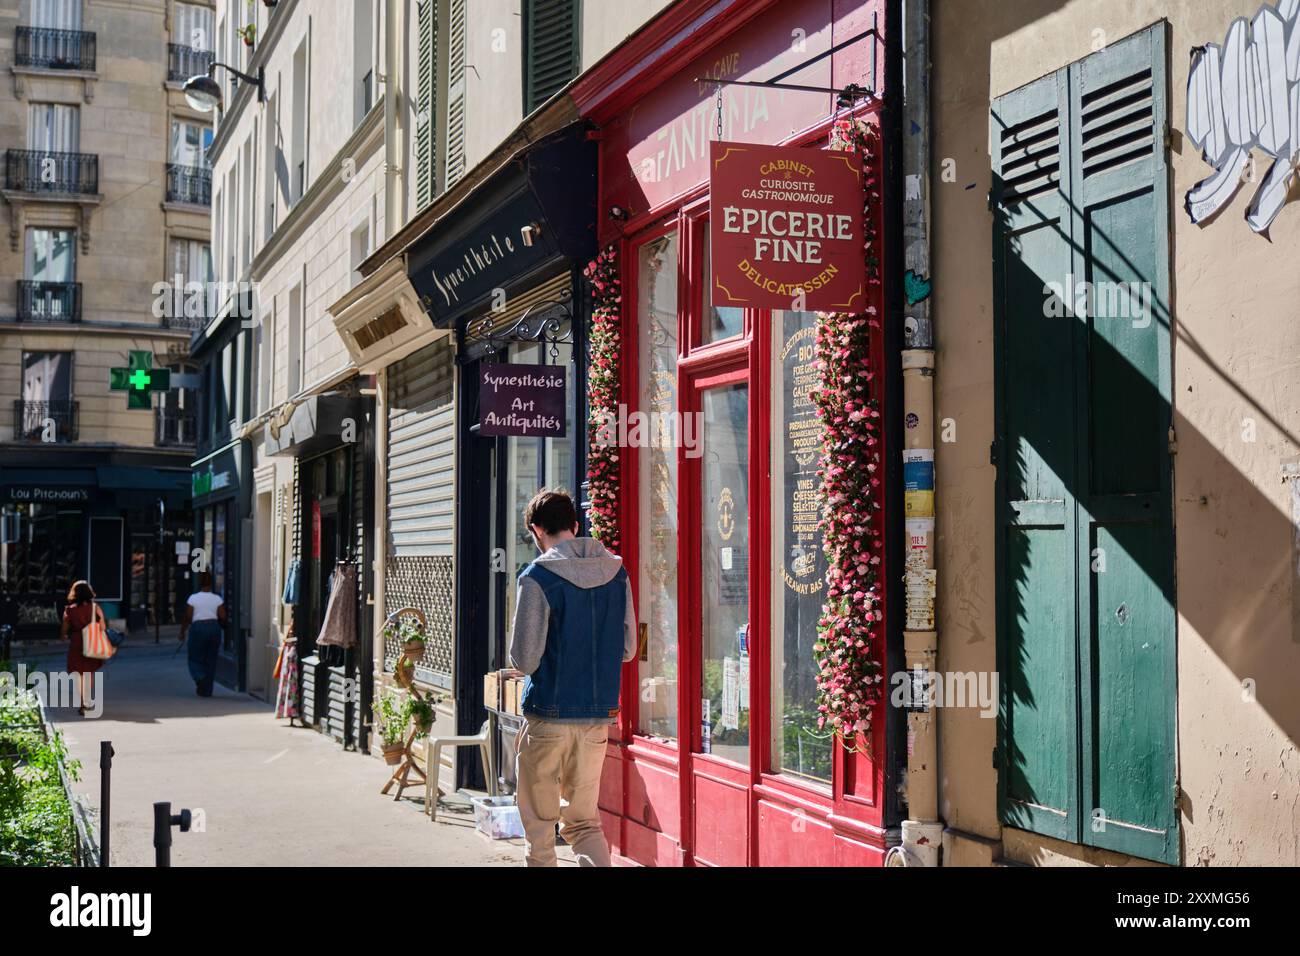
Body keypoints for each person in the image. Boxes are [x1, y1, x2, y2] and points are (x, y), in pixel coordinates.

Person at [508, 488, 636, 867]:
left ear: (535, 530)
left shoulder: (537, 576)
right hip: (597, 717)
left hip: (548, 714)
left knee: (541, 829)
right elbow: (628, 650)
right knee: (584, 823)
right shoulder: (617, 572)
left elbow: (525, 659)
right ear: (576, 527)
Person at [59, 580, 103, 717]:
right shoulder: (95, 608)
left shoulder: (69, 610)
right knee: (89, 673)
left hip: (77, 643)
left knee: (79, 675)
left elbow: (63, 631)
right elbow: (102, 627)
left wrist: (64, 636)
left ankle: (82, 704)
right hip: (92, 643)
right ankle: (87, 702)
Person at [180, 571, 226, 697]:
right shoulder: (217, 599)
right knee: (211, 659)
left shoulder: (193, 598)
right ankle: (207, 690)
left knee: (195, 657)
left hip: (198, 628)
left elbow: (187, 616)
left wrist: (182, 632)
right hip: (213, 627)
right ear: (211, 584)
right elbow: (223, 616)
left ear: (200, 584)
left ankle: (200, 677)